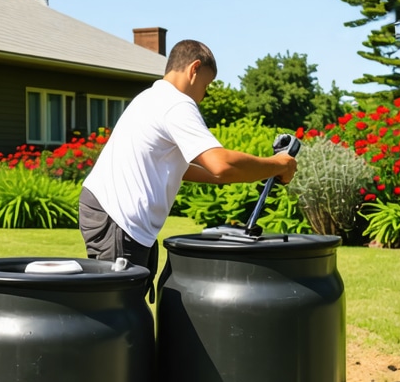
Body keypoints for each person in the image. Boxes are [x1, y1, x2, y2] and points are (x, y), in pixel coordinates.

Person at [79, 39, 297, 291]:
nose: (204, 96)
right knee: (119, 308)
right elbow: (220, 165)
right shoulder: (176, 103)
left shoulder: (151, 97)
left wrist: (247, 172)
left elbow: (192, 168)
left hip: (110, 213)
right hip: (119, 218)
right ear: (194, 69)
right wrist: (278, 164)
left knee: (128, 304)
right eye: (206, 85)